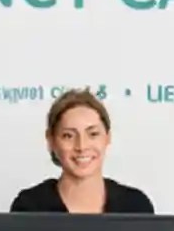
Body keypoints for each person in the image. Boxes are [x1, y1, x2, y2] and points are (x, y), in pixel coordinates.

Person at [10, 89, 155, 214]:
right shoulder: (29, 207)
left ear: (107, 138)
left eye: (93, 134)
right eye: (68, 136)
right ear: (51, 141)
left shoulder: (135, 205)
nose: (81, 146)